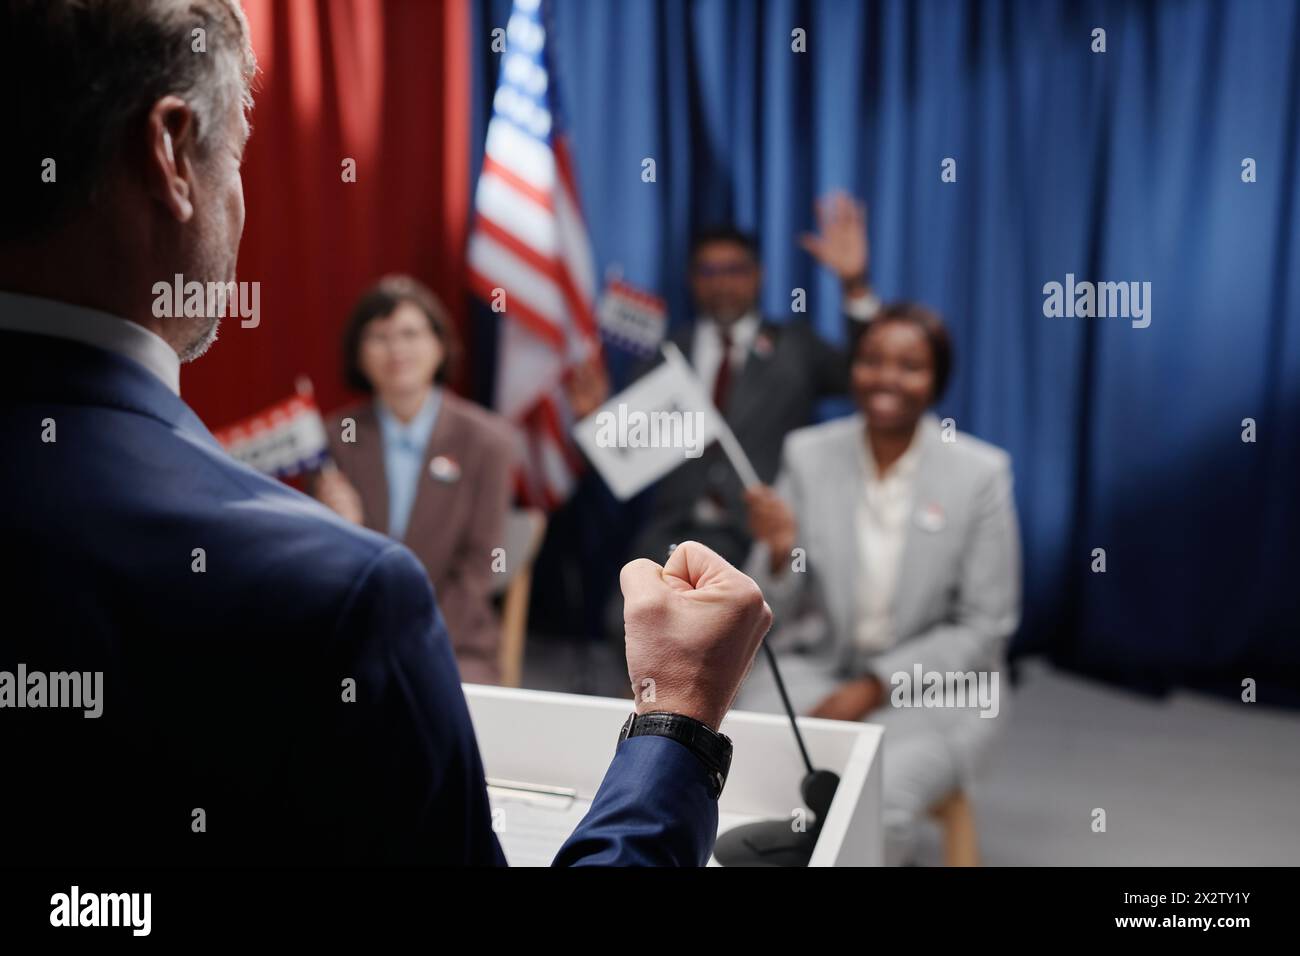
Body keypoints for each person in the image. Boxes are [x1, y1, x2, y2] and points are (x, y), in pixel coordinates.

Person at [0, 0, 770, 866]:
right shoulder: (345, 594)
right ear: (173, 155)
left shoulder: (464, 458)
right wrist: (679, 720)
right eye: (239, 156)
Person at [738, 302, 1022, 866]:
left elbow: (985, 628)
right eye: (871, 360)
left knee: (876, 805)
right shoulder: (809, 454)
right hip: (817, 669)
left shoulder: (980, 474)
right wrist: (778, 552)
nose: (887, 378)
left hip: (938, 690)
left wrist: (873, 687)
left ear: (937, 379)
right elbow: (766, 607)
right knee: (745, 775)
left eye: (910, 365)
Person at [570, 195, 883, 573]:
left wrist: (855, 287)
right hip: (670, 542)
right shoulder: (665, 354)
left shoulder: (795, 346)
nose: (722, 284)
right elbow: (623, 458)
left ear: (758, 275)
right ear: (691, 279)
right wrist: (593, 422)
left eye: (735, 270)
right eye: (708, 272)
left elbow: (870, 377)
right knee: (627, 621)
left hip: (763, 543)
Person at [314, 275, 516, 685]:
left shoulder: (487, 441)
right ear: (358, 353)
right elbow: (321, 564)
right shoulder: (335, 437)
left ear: (440, 345)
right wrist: (337, 526)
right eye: (379, 336)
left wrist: (409, 636)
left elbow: (480, 569)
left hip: (453, 643)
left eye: (410, 333)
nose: (397, 349)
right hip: (356, 634)